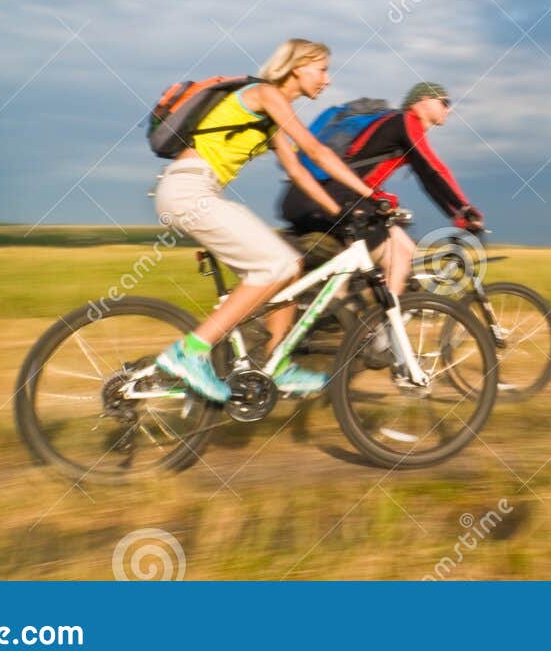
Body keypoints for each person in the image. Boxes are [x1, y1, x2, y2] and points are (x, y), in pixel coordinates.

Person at [152, 39, 387, 403]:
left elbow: (298, 171)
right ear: (297, 67)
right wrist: (371, 194)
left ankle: (277, 364)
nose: (327, 79)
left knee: (291, 268)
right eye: (322, 69)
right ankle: (189, 352)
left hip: (199, 191)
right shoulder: (265, 94)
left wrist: (338, 211)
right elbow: (316, 152)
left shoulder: (270, 116)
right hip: (189, 190)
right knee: (276, 265)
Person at [280, 81, 482, 298]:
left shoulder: (398, 125)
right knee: (400, 256)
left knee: (401, 252)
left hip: (334, 195)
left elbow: (428, 180)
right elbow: (434, 169)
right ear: (424, 100)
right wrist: (465, 208)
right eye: (444, 102)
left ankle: (351, 308)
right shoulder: (405, 121)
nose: (448, 109)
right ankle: (384, 318)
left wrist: (456, 214)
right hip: (339, 195)